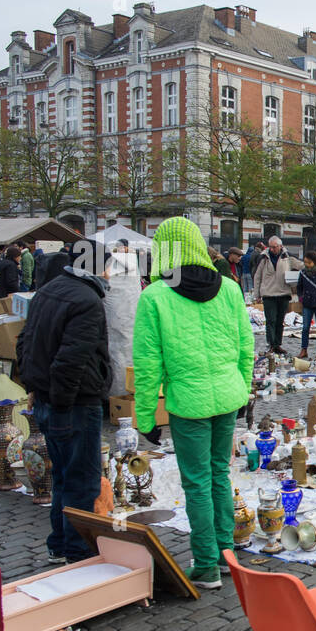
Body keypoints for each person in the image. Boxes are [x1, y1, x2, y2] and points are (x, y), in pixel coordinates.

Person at [133, 217, 253, 590]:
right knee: (219, 475)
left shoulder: (155, 296)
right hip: (227, 394)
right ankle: (224, 550)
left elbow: (148, 363)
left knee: (198, 482)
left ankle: (206, 564)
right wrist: (245, 389)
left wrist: (145, 416)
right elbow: (246, 347)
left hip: (189, 402)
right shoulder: (230, 288)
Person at [16, 251, 111, 565]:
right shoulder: (86, 301)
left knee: (64, 478)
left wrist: (34, 387)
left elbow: (24, 341)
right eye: (110, 267)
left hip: (50, 399)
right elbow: (71, 359)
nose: (112, 275)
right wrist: (59, 401)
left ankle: (58, 544)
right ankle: (78, 552)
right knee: (82, 481)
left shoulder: (50, 289)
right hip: (73, 404)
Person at [253, 236, 293, 355]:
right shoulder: (263, 258)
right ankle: (271, 344)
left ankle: (278, 344)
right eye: (270, 247)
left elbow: (299, 267)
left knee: (280, 321)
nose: (272, 249)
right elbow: (257, 276)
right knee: (271, 320)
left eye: (274, 247)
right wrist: (257, 294)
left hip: (283, 293)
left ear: (280, 246)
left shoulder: (287, 257)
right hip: (268, 293)